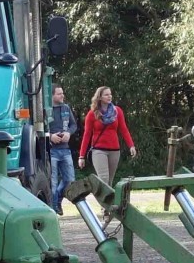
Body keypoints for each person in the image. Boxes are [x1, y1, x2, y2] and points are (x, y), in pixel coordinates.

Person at [78, 86, 136, 186]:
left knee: (109, 181)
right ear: (100, 97)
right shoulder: (92, 114)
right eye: (106, 95)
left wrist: (131, 145)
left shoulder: (117, 111)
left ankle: (109, 201)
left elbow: (124, 129)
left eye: (110, 94)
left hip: (114, 150)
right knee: (103, 179)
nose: (109, 96)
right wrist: (81, 156)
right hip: (99, 150)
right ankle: (106, 201)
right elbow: (86, 135)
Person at [47, 84, 77, 215]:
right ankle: (53, 209)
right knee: (52, 182)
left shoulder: (66, 108)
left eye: (62, 93)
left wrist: (69, 133)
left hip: (65, 149)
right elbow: (38, 127)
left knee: (69, 180)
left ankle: (58, 199)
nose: (62, 96)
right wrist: (50, 136)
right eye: (59, 94)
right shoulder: (46, 110)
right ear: (52, 95)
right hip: (52, 150)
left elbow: (73, 124)